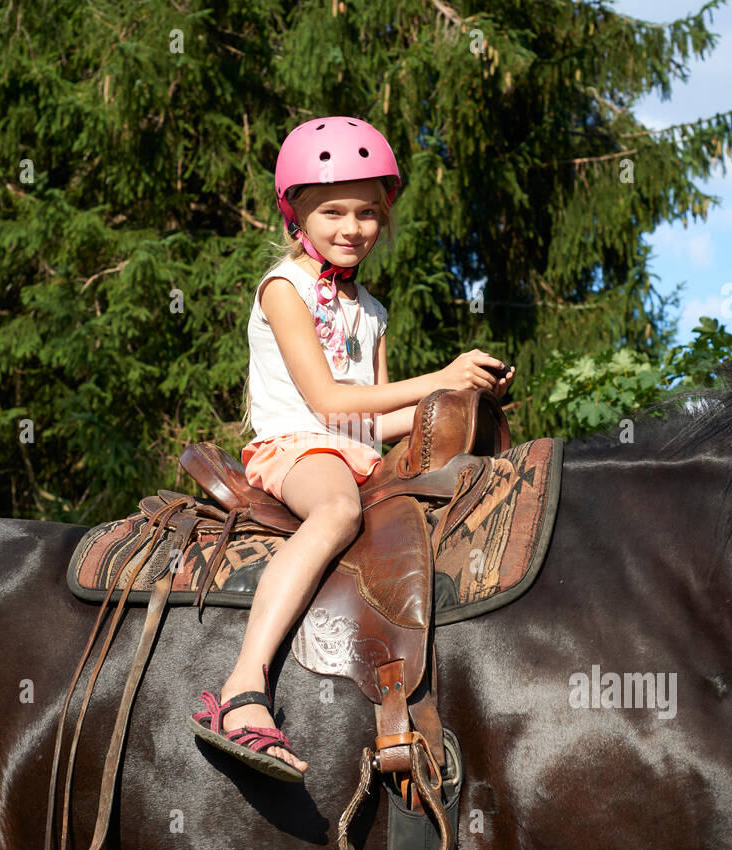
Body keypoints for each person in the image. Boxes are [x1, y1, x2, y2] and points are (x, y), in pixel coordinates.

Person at [189, 115, 513, 781]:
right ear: (294, 214)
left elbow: (381, 419)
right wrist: (443, 376)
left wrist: (462, 402)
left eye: (367, 212)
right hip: (298, 450)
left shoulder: (373, 309)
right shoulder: (285, 288)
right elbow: (330, 400)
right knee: (337, 510)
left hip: (356, 456)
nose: (352, 226)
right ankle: (243, 686)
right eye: (332, 209)